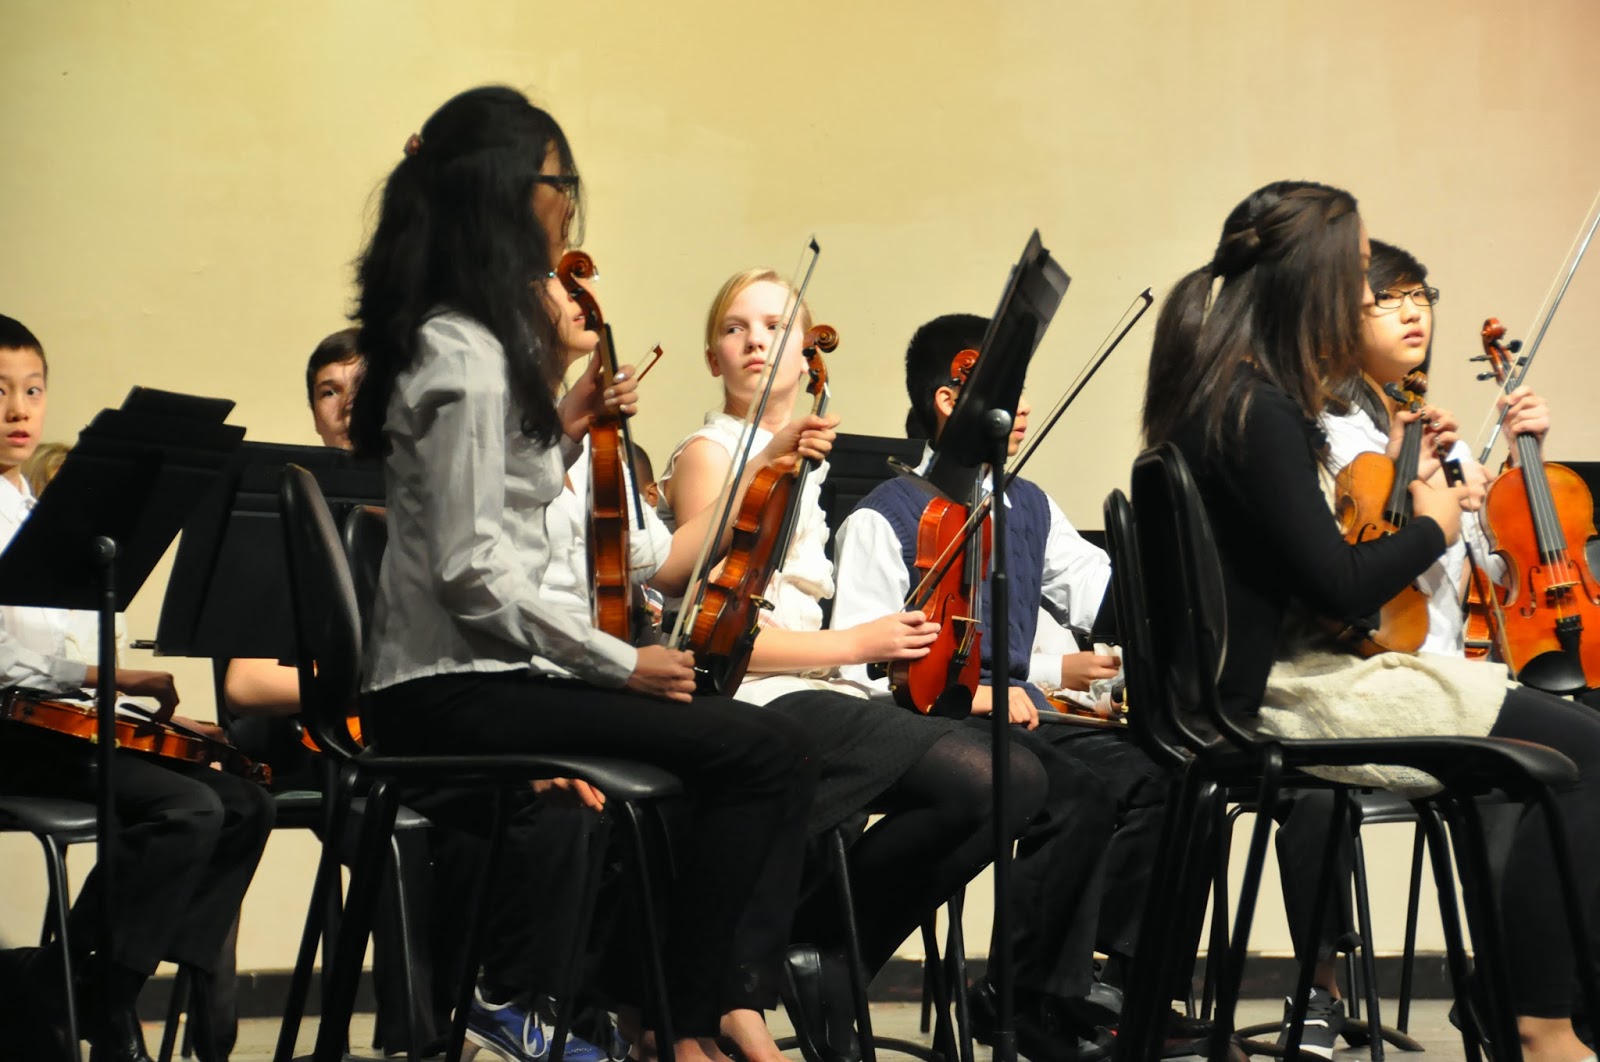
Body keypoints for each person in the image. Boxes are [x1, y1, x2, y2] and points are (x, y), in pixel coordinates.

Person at [347, 85, 823, 1062]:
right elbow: (473, 573)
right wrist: (621, 663)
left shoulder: (459, 337)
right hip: (451, 692)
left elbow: (504, 500)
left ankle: (658, 1010)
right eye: (559, 182)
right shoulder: (463, 352)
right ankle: (682, 1026)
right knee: (761, 755)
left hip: (466, 680)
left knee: (739, 752)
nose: (570, 205)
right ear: (509, 192)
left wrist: (563, 426)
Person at [1141, 178, 1600, 1062]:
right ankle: (1537, 1023)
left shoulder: (1228, 392)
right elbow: (1340, 587)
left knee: (1576, 741)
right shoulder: (1258, 408)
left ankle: (1524, 1004)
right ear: (1309, 278)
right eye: (1355, 271)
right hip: (1292, 694)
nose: (1365, 294)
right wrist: (1432, 522)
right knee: (1587, 755)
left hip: (1278, 679)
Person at [654, 269, 1048, 1058]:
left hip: (817, 687)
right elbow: (715, 638)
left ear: (809, 353)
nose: (755, 341)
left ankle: (819, 946)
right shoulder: (711, 455)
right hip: (758, 697)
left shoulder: (806, 463)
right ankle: (774, 966)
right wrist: (860, 645)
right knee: (994, 778)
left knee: (1018, 780)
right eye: (735, 328)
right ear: (710, 356)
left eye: (775, 327)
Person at [830, 313, 1173, 1059]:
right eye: (1007, 391)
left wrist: (1184, 565)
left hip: (1020, 716)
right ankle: (1024, 995)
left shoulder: (1027, 505)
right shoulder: (881, 519)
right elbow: (859, 672)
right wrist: (977, 694)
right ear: (949, 400)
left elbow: (1105, 594)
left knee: (1162, 774)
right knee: (1072, 793)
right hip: (930, 724)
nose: (1024, 407)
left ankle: (1122, 986)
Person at [1267, 237, 1553, 1055]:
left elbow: (1499, 577)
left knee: (1533, 771)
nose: (1412, 312)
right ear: (1338, 321)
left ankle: (1507, 988)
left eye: (1420, 296)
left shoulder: (1446, 441)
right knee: (1317, 797)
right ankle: (1318, 988)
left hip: (1447, 674)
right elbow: (1331, 578)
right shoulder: (1312, 434)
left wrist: (1522, 465)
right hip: (1351, 673)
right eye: (1387, 299)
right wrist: (1412, 492)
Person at [0, 313, 275, 1062]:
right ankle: (88, 993)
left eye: (33, 389)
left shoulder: (43, 511)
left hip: (60, 722)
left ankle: (86, 988)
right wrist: (114, 678)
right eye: (0, 391)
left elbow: (75, 656)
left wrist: (158, 724)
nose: (19, 409)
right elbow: (9, 661)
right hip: (12, 731)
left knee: (245, 804)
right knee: (187, 809)